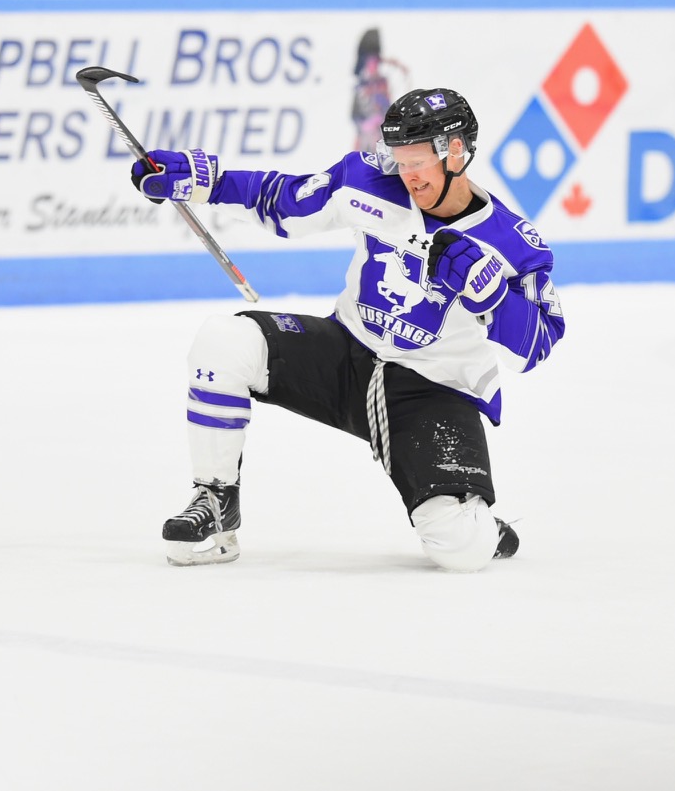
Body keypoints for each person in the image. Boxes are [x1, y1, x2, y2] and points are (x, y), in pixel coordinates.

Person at [129, 88, 566, 571]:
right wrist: (206, 182)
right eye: (400, 159)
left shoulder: (513, 244)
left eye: (418, 160)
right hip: (347, 357)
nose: (408, 174)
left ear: (457, 152)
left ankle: (474, 521)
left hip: (433, 392)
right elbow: (285, 201)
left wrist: (494, 300)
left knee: (460, 550)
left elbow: (539, 346)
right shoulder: (369, 182)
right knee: (223, 340)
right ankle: (215, 499)